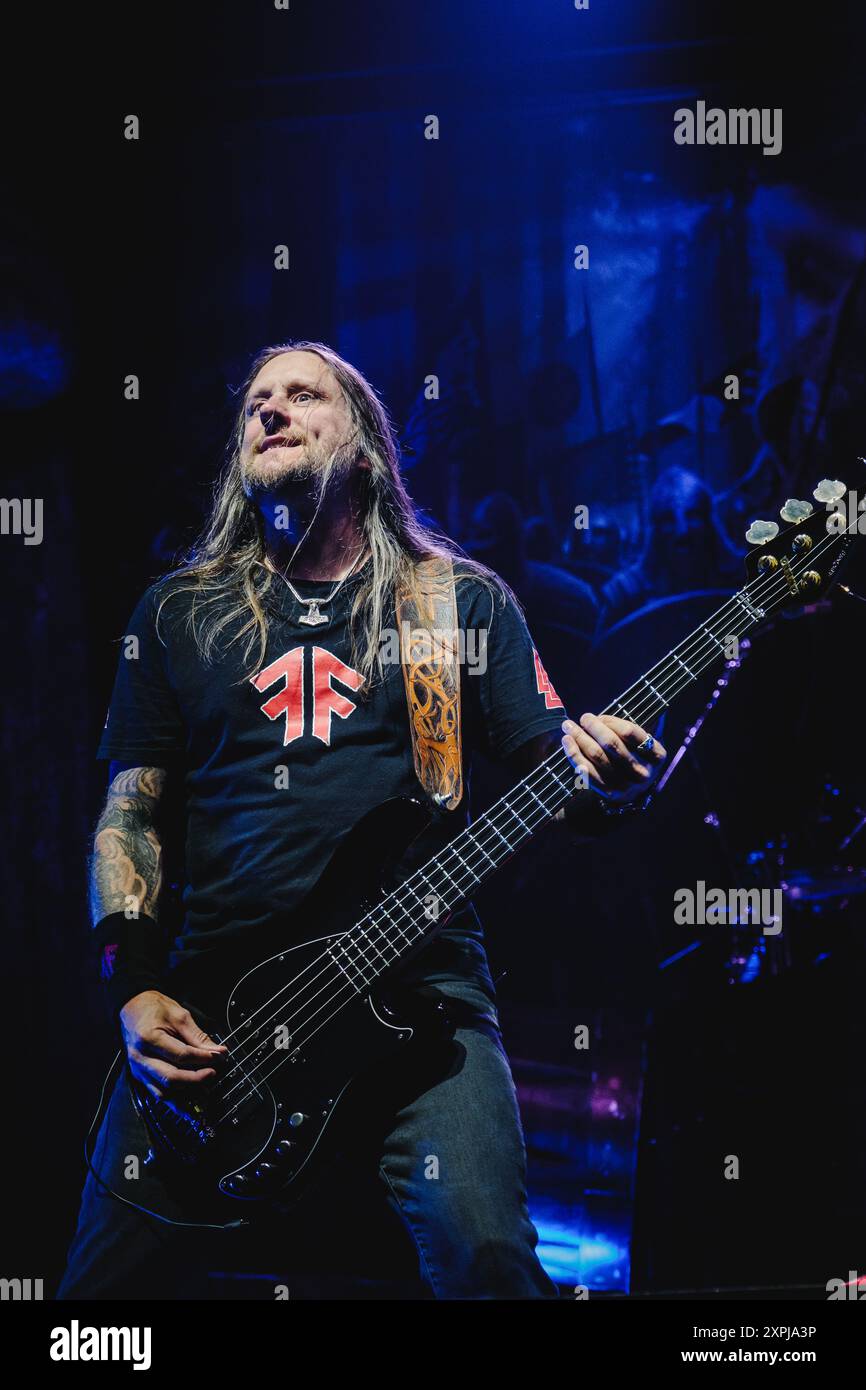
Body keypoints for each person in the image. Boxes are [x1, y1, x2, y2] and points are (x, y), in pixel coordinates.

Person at [58, 341, 665, 1300]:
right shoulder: (176, 613)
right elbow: (128, 818)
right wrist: (132, 989)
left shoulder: (456, 602)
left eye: (303, 394)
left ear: (369, 449)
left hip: (421, 1000)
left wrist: (609, 775)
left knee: (491, 1260)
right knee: (88, 1313)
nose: (271, 409)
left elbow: (560, 770)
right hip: (216, 1018)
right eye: (256, 399)